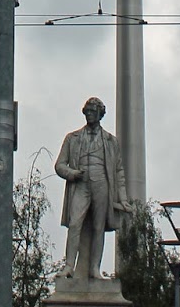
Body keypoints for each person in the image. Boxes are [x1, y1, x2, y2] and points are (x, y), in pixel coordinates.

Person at [54, 96, 131, 280]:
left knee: (99, 226)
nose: (89, 115)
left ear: (99, 114)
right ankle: (69, 266)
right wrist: (72, 173)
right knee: (74, 223)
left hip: (101, 182)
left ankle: (94, 268)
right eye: (86, 111)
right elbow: (59, 165)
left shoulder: (111, 141)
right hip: (81, 182)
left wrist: (123, 199)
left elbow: (119, 171)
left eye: (92, 111)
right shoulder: (72, 138)